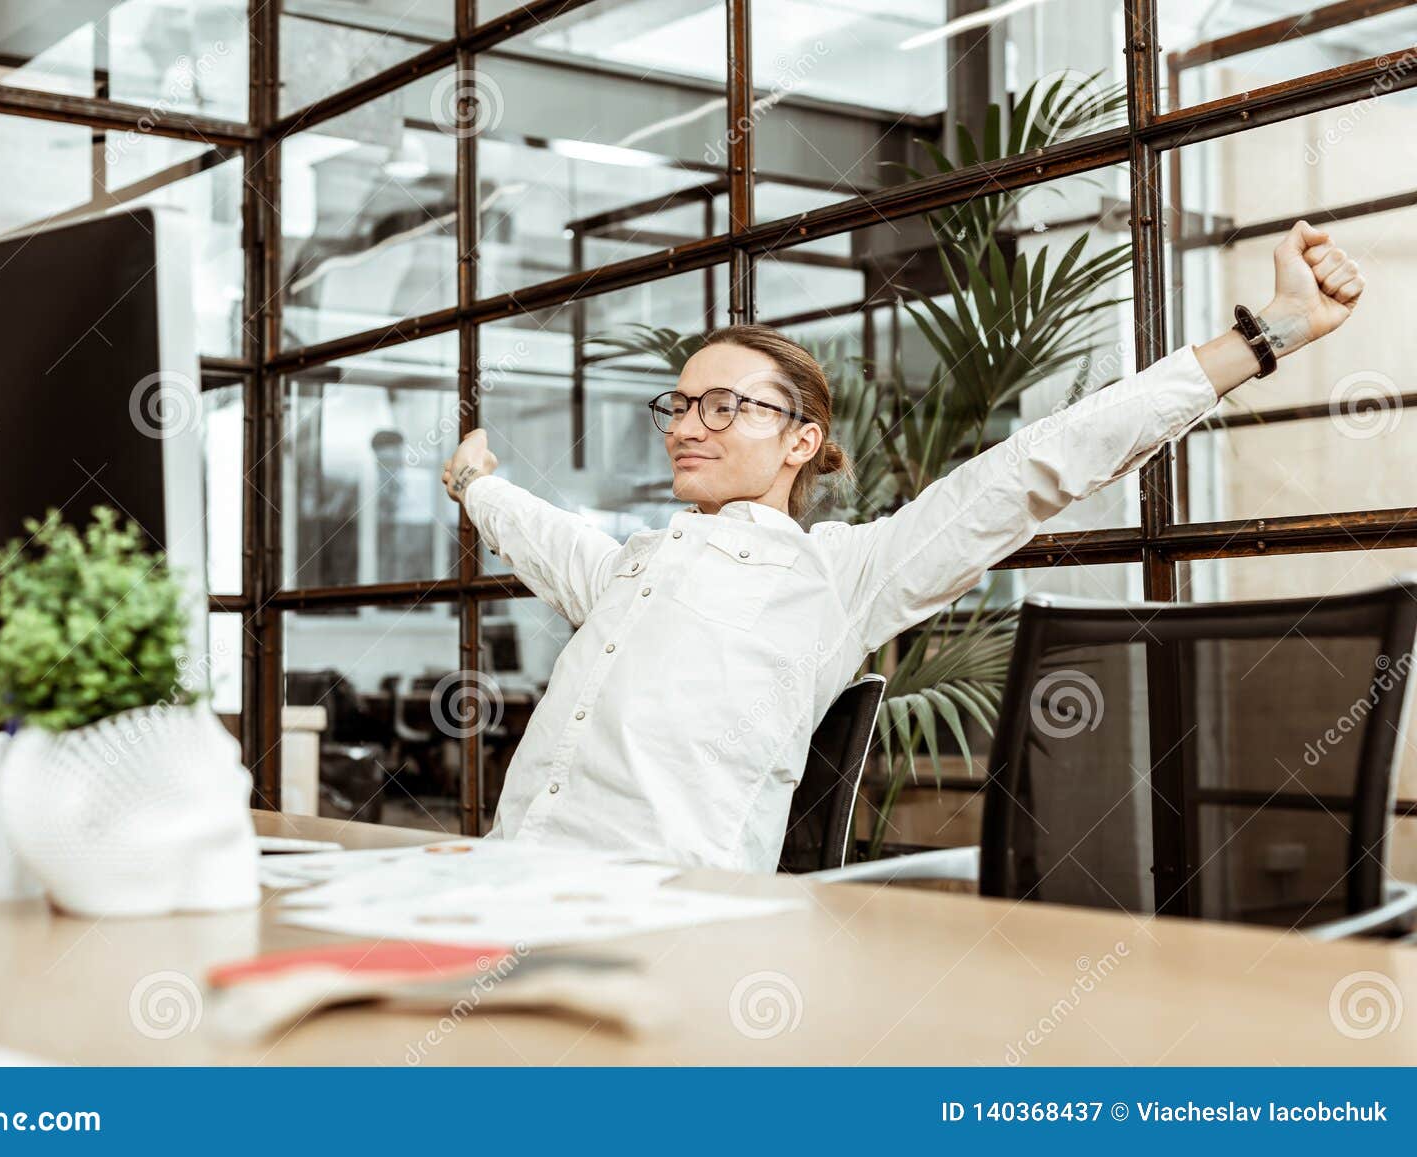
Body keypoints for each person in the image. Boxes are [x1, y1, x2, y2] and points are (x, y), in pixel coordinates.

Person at [440, 220, 1364, 873]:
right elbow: (540, 533)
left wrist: (1266, 335)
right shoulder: (629, 565)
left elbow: (1035, 466)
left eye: (722, 406)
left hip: (664, 918)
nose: (686, 425)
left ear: (801, 440)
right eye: (679, 406)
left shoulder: (836, 574)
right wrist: (475, 483)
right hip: (506, 880)